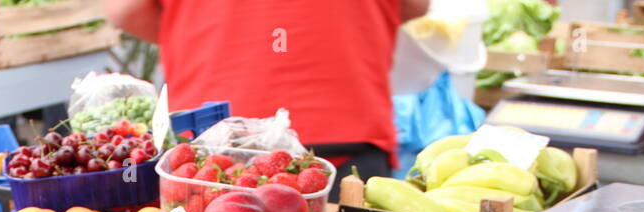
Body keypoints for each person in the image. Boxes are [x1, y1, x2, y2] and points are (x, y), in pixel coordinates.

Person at [105, 0, 430, 184]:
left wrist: (213, 39)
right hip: (347, 128)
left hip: (213, 139)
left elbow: (126, 9)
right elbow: (416, 4)